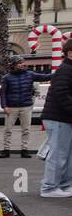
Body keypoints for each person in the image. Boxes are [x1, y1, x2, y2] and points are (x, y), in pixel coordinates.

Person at [0, 60, 53, 158]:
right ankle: (6, 149)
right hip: (11, 107)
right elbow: (2, 93)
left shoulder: (30, 74)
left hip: (26, 106)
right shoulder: (7, 77)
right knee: (8, 129)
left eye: (22, 63)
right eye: (19, 63)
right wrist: (4, 106)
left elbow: (44, 77)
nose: (22, 64)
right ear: (13, 65)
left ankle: (24, 149)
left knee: (26, 129)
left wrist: (58, 73)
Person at [38, 55, 72, 198]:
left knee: (67, 154)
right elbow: (61, 93)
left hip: (61, 117)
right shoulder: (66, 69)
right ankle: (49, 187)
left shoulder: (67, 68)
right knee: (59, 154)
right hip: (58, 117)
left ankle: (63, 185)